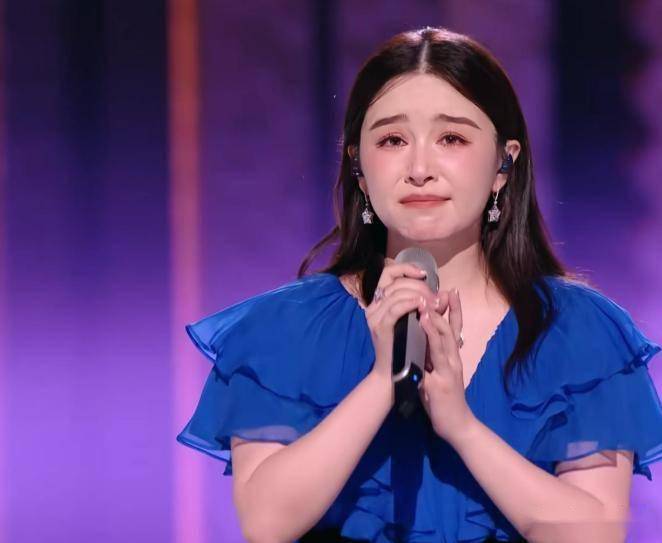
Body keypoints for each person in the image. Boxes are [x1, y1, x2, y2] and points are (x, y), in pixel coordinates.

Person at [176, 26, 662, 543]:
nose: (420, 168)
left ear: (504, 164)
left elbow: (593, 535)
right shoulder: (283, 329)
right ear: (358, 167)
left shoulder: (577, 330)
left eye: (452, 138)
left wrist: (463, 427)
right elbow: (266, 523)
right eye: (392, 140)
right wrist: (381, 383)